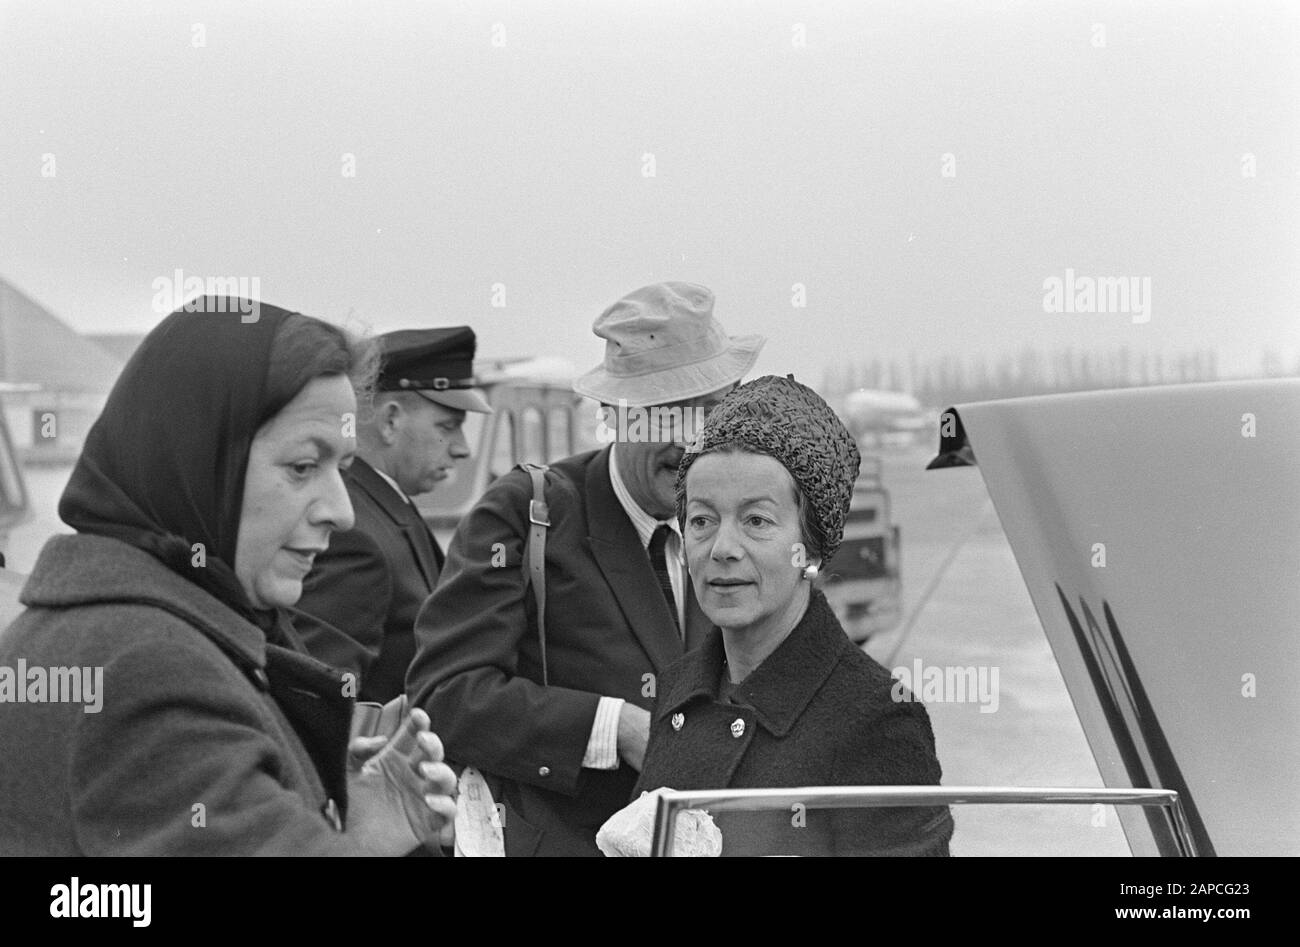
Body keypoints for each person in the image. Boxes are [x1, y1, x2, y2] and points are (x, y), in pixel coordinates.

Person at [0, 298, 457, 855]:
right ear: (197, 464)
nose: (341, 511)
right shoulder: (150, 668)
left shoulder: (113, 630)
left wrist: (347, 827)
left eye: (342, 469)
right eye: (302, 467)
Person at [407, 282, 765, 855]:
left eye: (710, 414)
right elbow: (446, 696)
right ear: (613, 415)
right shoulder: (529, 514)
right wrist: (613, 727)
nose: (689, 441)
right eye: (664, 416)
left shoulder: (731, 528)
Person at [633, 374, 954, 856]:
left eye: (756, 521)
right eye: (701, 520)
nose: (722, 549)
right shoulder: (679, 691)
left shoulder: (875, 720)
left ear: (813, 550)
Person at [292, 327, 491, 702]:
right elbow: (317, 698)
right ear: (390, 421)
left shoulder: (386, 507)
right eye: (448, 427)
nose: (462, 449)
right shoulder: (356, 536)